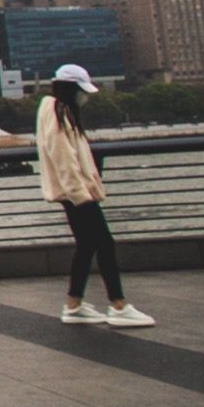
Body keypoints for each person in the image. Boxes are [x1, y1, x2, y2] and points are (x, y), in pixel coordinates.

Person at [36, 64, 153, 327]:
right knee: (105, 244)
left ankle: (74, 304)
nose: (84, 96)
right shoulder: (57, 111)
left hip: (72, 192)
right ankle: (119, 305)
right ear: (71, 89)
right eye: (81, 91)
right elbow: (63, 157)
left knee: (88, 245)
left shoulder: (57, 109)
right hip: (76, 193)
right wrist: (81, 194)